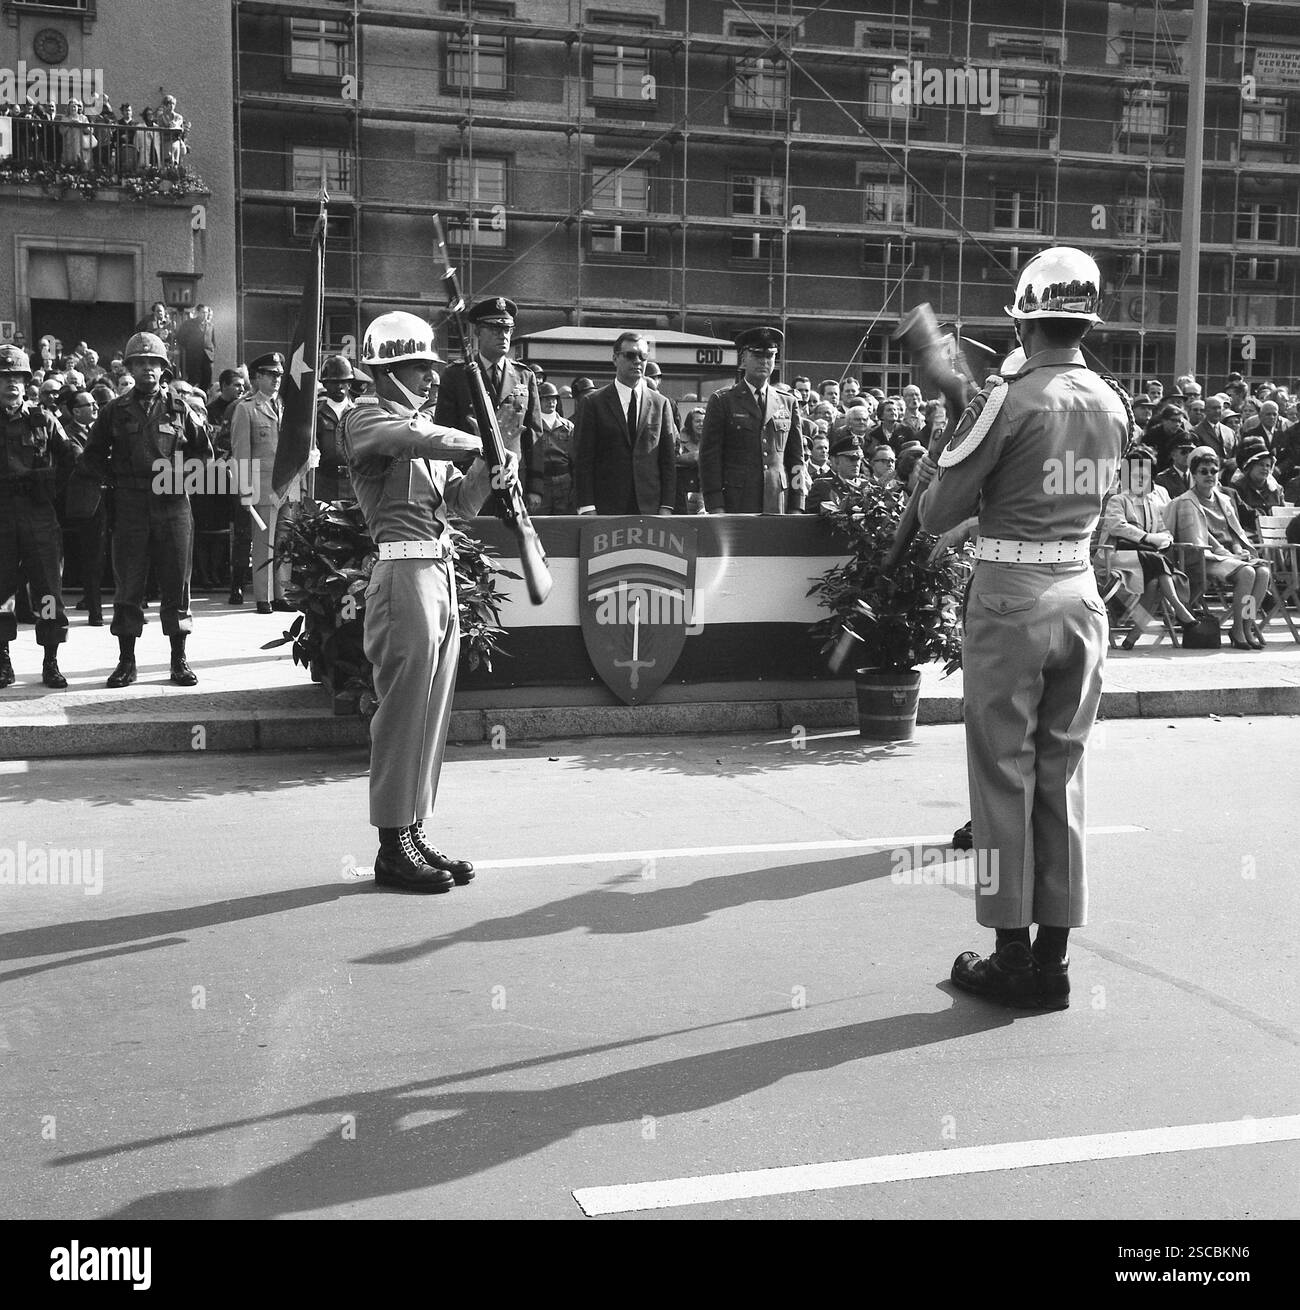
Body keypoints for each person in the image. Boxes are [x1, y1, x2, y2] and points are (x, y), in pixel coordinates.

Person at [917, 245, 1129, 1010]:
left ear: (1023, 319)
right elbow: (1093, 507)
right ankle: (1054, 963)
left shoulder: (1008, 398)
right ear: (1082, 321)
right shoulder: (1113, 401)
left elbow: (935, 513)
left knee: (1001, 772)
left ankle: (1010, 955)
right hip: (1080, 590)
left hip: (1010, 594)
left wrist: (953, 423)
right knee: (1061, 775)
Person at [339, 311, 500, 893]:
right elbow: (400, 439)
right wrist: (471, 441)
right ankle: (391, 845)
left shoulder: (426, 431)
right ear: (386, 370)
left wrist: (490, 469)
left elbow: (459, 504)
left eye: (433, 369)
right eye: (419, 368)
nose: (433, 380)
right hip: (402, 575)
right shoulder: (365, 417)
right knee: (402, 710)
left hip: (439, 570)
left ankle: (412, 829)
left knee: (431, 712)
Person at [78, 331, 211, 687]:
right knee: (128, 584)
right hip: (131, 506)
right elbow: (91, 457)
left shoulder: (182, 410)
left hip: (172, 504)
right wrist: (115, 480)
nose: (147, 370)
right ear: (130, 367)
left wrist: (179, 476)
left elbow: (205, 455)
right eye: (140, 363)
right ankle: (126, 661)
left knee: (176, 584)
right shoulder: (113, 411)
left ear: (163, 369)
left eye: (154, 363)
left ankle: (178, 660)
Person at [0, 345, 71, 689]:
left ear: (26, 382)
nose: (11, 383)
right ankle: (2, 659)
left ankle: (51, 660)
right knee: (1, 595)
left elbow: (72, 458)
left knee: (47, 593)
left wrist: (55, 495)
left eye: (16, 377)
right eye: (3, 377)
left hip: (39, 515)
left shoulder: (43, 419)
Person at [1169, 446, 1272, 649]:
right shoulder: (1184, 502)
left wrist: (1237, 548)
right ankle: (1237, 629)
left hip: (1231, 557)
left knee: (1264, 573)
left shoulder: (1224, 499)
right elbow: (1200, 535)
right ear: (1194, 474)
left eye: (1213, 471)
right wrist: (1223, 551)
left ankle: (1246, 624)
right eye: (1203, 472)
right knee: (1248, 573)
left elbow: (1233, 531)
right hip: (1204, 558)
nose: (1209, 476)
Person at [434, 296, 541, 487]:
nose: (503, 335)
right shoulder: (456, 375)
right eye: (495, 329)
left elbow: (533, 435)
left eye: (507, 329)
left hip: (512, 478)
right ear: (478, 332)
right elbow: (444, 431)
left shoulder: (525, 376)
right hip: (469, 479)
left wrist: (535, 486)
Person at [1100, 444, 1199, 647]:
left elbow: (1163, 529)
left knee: (1154, 583)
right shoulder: (1118, 500)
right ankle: (1179, 607)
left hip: (1145, 562)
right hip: (1117, 557)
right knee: (1158, 560)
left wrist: (1166, 539)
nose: (1140, 480)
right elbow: (1117, 526)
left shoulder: (1151, 503)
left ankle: (1133, 636)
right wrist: (1146, 538)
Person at [699, 326, 803, 514]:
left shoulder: (788, 401)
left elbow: (796, 459)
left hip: (778, 500)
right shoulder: (723, 400)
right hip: (736, 500)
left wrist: (797, 503)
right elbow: (709, 459)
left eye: (769, 356)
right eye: (757, 356)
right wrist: (715, 504)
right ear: (743, 358)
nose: (764, 361)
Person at [573, 331, 676, 515]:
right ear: (615, 359)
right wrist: (587, 508)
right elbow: (583, 461)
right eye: (630, 355)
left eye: (643, 356)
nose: (637, 361)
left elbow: (668, 461)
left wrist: (666, 506)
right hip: (606, 507)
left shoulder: (661, 404)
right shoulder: (592, 403)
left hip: (650, 507)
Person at [229, 352, 296, 613]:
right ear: (257, 377)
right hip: (262, 485)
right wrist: (245, 491)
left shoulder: (286, 408)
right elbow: (241, 453)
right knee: (263, 542)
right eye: (270, 374)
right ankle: (263, 596)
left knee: (284, 541)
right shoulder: (246, 409)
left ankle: (282, 593)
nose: (276, 379)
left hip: (286, 485)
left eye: (279, 375)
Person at [314, 355, 361, 503]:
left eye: (344, 382)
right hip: (325, 485)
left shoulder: (359, 414)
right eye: (334, 382)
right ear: (325, 384)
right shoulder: (316, 415)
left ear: (350, 384)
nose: (339, 387)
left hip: (355, 485)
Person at [528, 381, 575, 514]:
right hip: (541, 481)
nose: (551, 402)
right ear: (539, 400)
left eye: (553, 398)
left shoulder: (568, 426)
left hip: (565, 479)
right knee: (540, 522)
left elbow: (575, 458)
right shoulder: (531, 426)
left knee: (564, 521)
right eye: (546, 399)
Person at [1229, 436, 1284, 539]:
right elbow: (1238, 519)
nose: (1265, 469)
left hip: (1276, 537)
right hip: (1250, 537)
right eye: (1261, 465)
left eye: (1268, 466)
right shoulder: (1237, 488)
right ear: (1250, 467)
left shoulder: (1276, 489)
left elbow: (1283, 517)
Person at [805, 434, 864, 514]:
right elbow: (808, 519)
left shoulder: (867, 487)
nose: (856, 463)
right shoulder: (823, 487)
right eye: (851, 458)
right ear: (836, 461)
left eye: (859, 459)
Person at [674, 406, 706, 515]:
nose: (701, 424)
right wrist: (695, 456)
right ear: (689, 423)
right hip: (683, 483)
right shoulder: (680, 437)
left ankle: (702, 504)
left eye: (703, 421)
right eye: (697, 421)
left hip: (702, 482)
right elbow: (674, 457)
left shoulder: (709, 439)